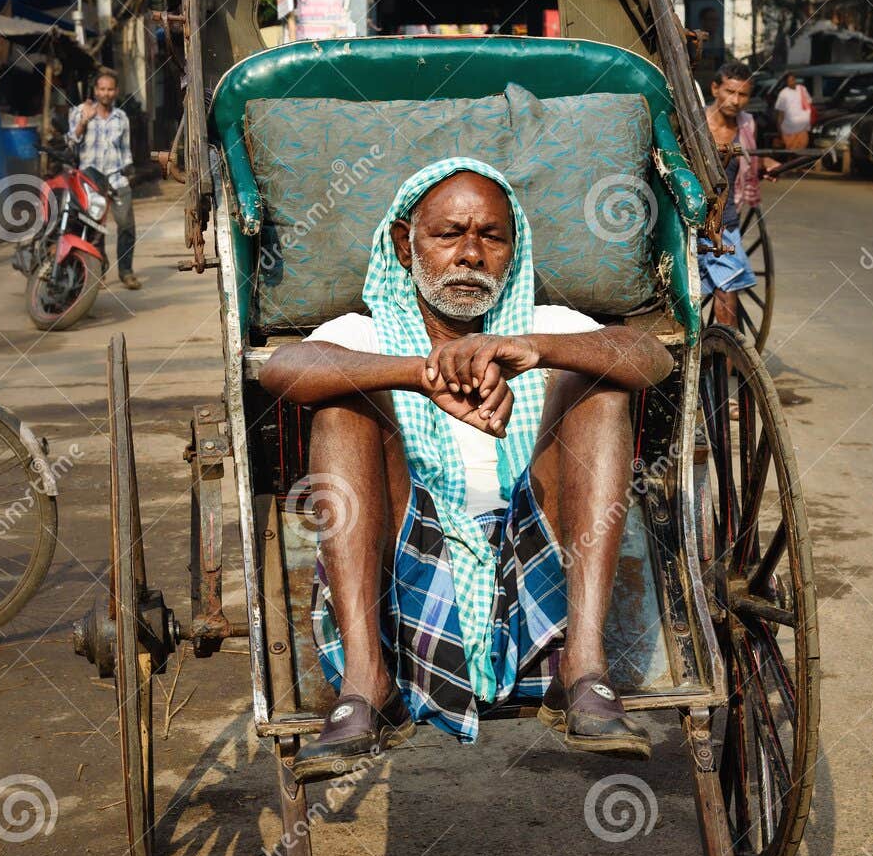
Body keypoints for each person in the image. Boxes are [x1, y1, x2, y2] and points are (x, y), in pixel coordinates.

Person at [259, 157, 675, 783]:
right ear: (405, 245)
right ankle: (367, 685)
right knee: (341, 404)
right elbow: (280, 372)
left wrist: (534, 352)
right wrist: (419, 374)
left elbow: (650, 358)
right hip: (402, 584)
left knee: (603, 384)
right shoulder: (360, 333)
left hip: (541, 576)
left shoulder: (551, 326)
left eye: (492, 236)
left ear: (514, 248)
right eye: (448, 234)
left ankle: (583, 673)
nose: (471, 254)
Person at [700, 61, 779, 339]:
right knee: (690, 299)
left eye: (743, 95)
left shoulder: (746, 124)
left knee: (727, 293)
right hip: (690, 220)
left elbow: (749, 161)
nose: (735, 101)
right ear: (715, 88)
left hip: (727, 221)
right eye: (730, 92)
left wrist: (766, 162)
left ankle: (727, 359)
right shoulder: (695, 122)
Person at [67, 69, 139, 289]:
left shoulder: (121, 118)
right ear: (95, 91)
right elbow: (71, 142)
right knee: (94, 228)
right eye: (102, 89)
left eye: (110, 89)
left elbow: (125, 149)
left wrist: (129, 171)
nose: (106, 93)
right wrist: (84, 121)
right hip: (90, 181)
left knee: (126, 226)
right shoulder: (80, 111)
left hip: (117, 179)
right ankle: (98, 272)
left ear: (116, 91)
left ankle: (126, 271)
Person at [773, 71, 812, 150]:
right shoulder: (783, 94)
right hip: (789, 131)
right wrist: (779, 130)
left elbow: (809, 104)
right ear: (786, 82)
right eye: (789, 81)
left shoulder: (802, 89)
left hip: (803, 129)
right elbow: (781, 114)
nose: (792, 82)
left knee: (802, 154)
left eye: (793, 80)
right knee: (792, 154)